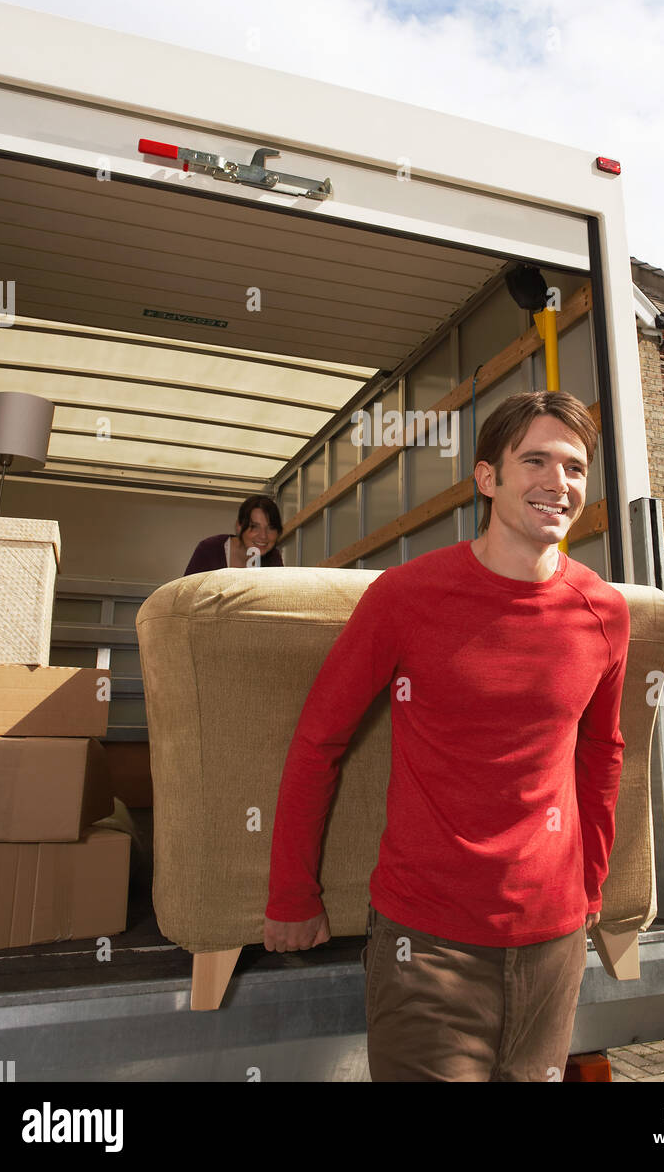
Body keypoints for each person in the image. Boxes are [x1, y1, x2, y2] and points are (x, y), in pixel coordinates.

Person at [263, 391, 630, 1082]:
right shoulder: (406, 598)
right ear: (487, 479)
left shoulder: (604, 614)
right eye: (536, 461)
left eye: (576, 467)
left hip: (552, 942)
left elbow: (600, 757)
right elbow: (320, 740)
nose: (560, 483)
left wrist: (589, 891)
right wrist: (291, 893)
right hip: (424, 946)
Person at [183, 494, 284, 575]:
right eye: (254, 527)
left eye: (271, 528)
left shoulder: (273, 559)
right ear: (239, 526)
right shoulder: (210, 549)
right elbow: (186, 594)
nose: (263, 536)